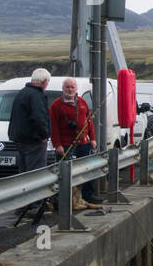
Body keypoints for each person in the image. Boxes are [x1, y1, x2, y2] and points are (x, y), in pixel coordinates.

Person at [50, 77, 97, 208]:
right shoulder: (56, 105)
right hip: (66, 145)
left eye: (72, 87)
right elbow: (53, 127)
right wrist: (57, 145)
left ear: (76, 89)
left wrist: (92, 138)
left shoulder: (82, 102)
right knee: (65, 173)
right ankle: (66, 200)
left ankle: (88, 196)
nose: (70, 90)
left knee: (88, 169)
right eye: (67, 87)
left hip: (84, 143)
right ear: (63, 89)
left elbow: (89, 122)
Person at [9, 68, 51, 172]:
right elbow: (39, 118)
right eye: (48, 82)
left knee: (23, 172)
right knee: (35, 173)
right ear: (44, 81)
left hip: (20, 139)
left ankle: (23, 188)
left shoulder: (22, 93)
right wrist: (44, 135)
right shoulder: (36, 95)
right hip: (33, 140)